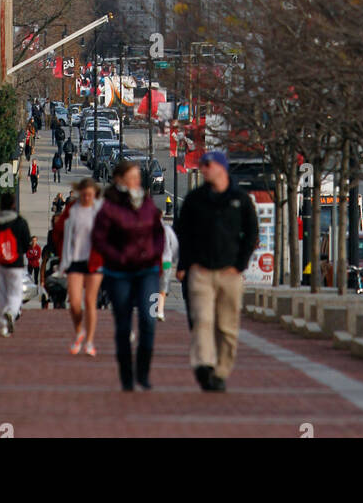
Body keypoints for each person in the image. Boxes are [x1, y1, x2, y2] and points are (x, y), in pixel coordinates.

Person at [175, 150, 258, 392]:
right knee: (202, 319)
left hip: (229, 274)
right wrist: (184, 265)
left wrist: (239, 265)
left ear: (221, 168)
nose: (203, 169)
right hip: (200, 272)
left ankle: (221, 371)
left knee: (227, 325)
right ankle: (204, 365)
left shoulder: (240, 200)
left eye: (207, 165)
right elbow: (184, 234)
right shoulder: (194, 199)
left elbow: (251, 233)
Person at [92, 159, 164, 391]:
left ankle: (143, 372)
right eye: (132, 178)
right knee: (123, 326)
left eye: (138, 178)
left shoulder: (147, 203)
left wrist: (154, 253)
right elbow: (100, 239)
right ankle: (126, 375)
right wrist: (118, 256)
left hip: (147, 270)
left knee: (148, 320)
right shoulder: (109, 207)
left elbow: (158, 233)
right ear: (119, 180)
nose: (136, 182)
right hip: (119, 272)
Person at [60, 177, 104, 355]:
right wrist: (64, 262)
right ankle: (79, 331)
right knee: (75, 303)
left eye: (90, 195)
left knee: (90, 302)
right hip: (75, 260)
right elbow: (65, 236)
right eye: (84, 194)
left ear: (95, 195)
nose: (87, 198)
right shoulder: (73, 211)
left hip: (94, 260)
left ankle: (90, 342)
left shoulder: (100, 211)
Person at [0, 192, 31, 338]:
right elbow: (27, 242)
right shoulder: (20, 222)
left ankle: (4, 326)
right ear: (13, 205)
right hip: (15, 262)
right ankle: (11, 312)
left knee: (1, 294)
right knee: (15, 293)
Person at [157, 217, 179, 321]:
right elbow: (174, 245)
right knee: (163, 285)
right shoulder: (167, 229)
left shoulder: (148, 228)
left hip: (153, 261)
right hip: (166, 261)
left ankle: (153, 308)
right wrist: (174, 259)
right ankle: (160, 311)